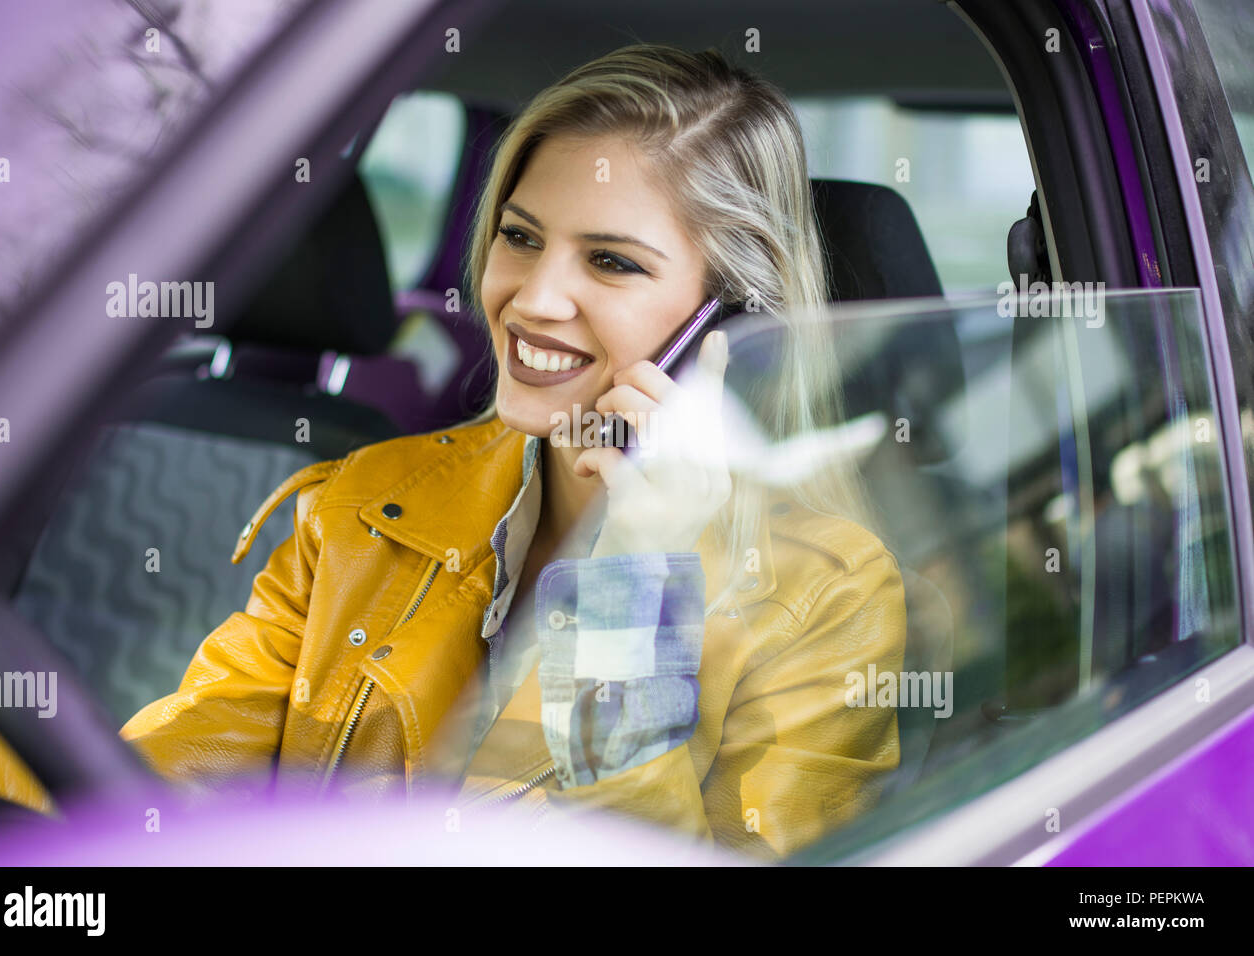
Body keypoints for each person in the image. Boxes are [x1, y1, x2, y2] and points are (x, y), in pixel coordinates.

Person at [118, 43, 907, 860]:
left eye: (611, 261)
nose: (532, 300)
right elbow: (166, 776)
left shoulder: (828, 596)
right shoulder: (370, 498)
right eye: (521, 237)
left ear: (731, 320)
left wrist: (630, 591)